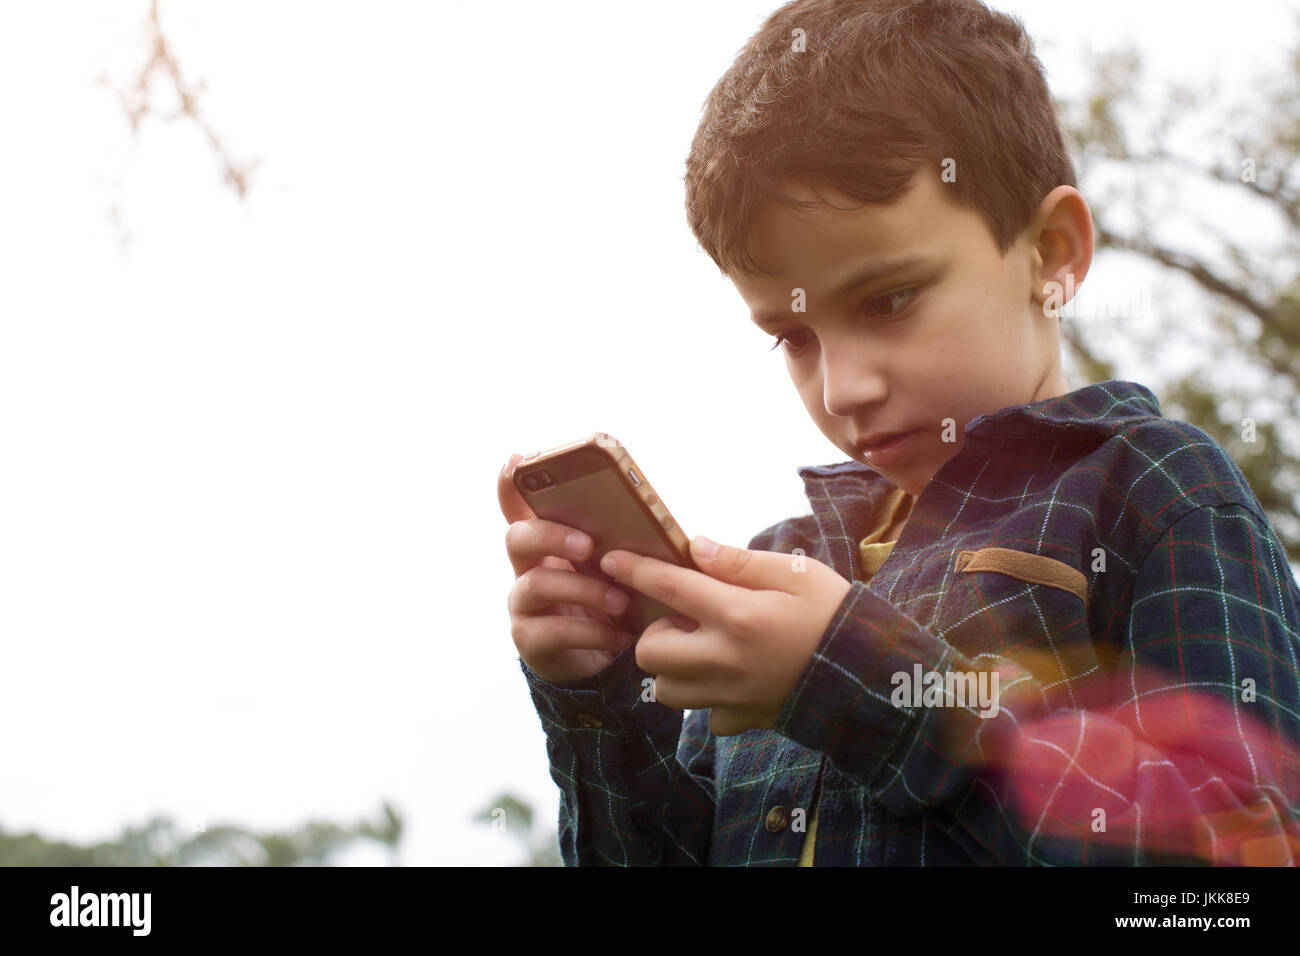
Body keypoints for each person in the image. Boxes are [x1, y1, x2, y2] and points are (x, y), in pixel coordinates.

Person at [498, 0, 1300, 865]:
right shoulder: (784, 570)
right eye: (794, 337)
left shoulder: (1153, 491)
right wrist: (595, 700)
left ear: (1052, 254)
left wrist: (856, 684)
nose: (844, 388)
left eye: (889, 300)